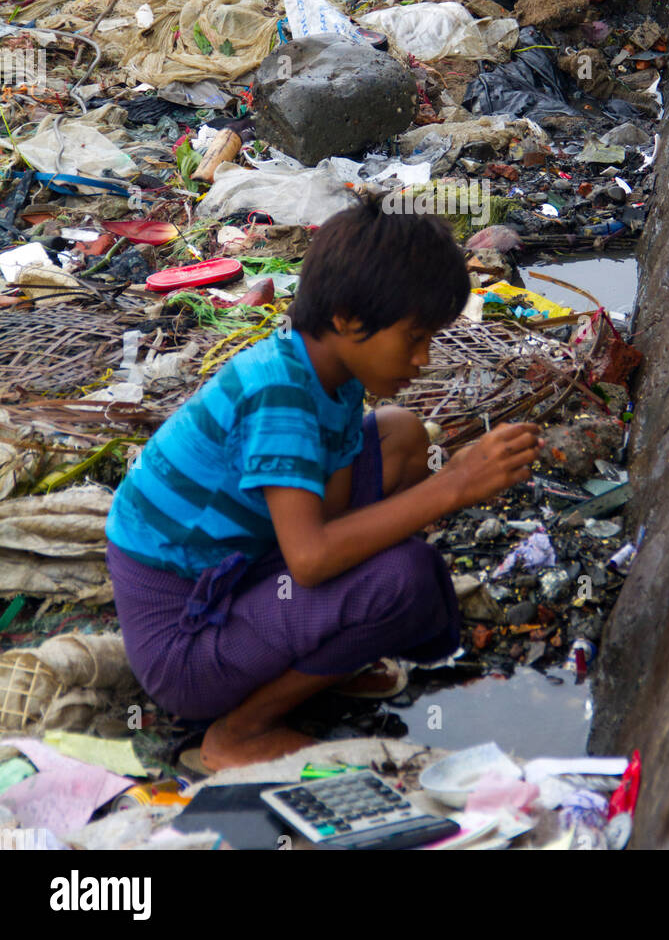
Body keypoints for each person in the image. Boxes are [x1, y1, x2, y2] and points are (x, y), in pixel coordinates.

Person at [105, 200, 542, 770]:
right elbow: (311, 561)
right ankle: (238, 732)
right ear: (343, 317)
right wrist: (453, 486)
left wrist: (445, 482)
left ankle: (319, 651)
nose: (424, 358)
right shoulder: (280, 394)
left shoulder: (330, 376)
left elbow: (332, 519)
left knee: (401, 437)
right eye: (413, 337)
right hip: (186, 643)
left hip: (239, 568)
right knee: (401, 579)